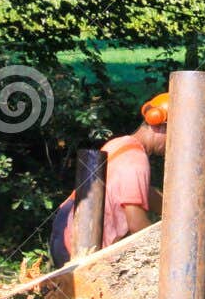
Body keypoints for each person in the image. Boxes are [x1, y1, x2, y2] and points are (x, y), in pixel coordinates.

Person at [49, 92, 169, 267]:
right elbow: (136, 223)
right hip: (78, 248)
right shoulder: (135, 160)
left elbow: (142, 192)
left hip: (62, 233)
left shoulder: (120, 144)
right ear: (160, 126)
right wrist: (166, 253)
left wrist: (177, 211)